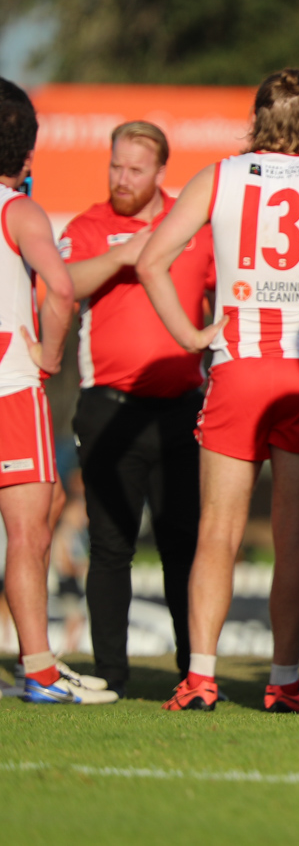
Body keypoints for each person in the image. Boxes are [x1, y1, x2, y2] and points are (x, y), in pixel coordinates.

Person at [136, 69, 299, 714]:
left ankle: (200, 677)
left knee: (217, 533)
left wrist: (192, 334)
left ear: (257, 118)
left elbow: (150, 260)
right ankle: (283, 680)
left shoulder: (220, 175)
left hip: (237, 364)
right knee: (295, 539)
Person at [60, 119, 213, 696]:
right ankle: (111, 675)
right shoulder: (89, 226)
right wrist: (124, 255)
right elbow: (63, 283)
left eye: (135, 169)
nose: (122, 179)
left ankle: (190, 672)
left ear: (160, 173)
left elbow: (227, 289)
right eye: (115, 166)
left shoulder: (192, 222)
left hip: (181, 409)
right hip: (109, 409)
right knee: (110, 544)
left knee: (183, 544)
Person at [0, 80, 114, 704]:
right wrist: (47, 353)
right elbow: (62, 288)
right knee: (29, 532)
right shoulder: (18, 209)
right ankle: (40, 672)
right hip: (11, 386)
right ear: (26, 150)